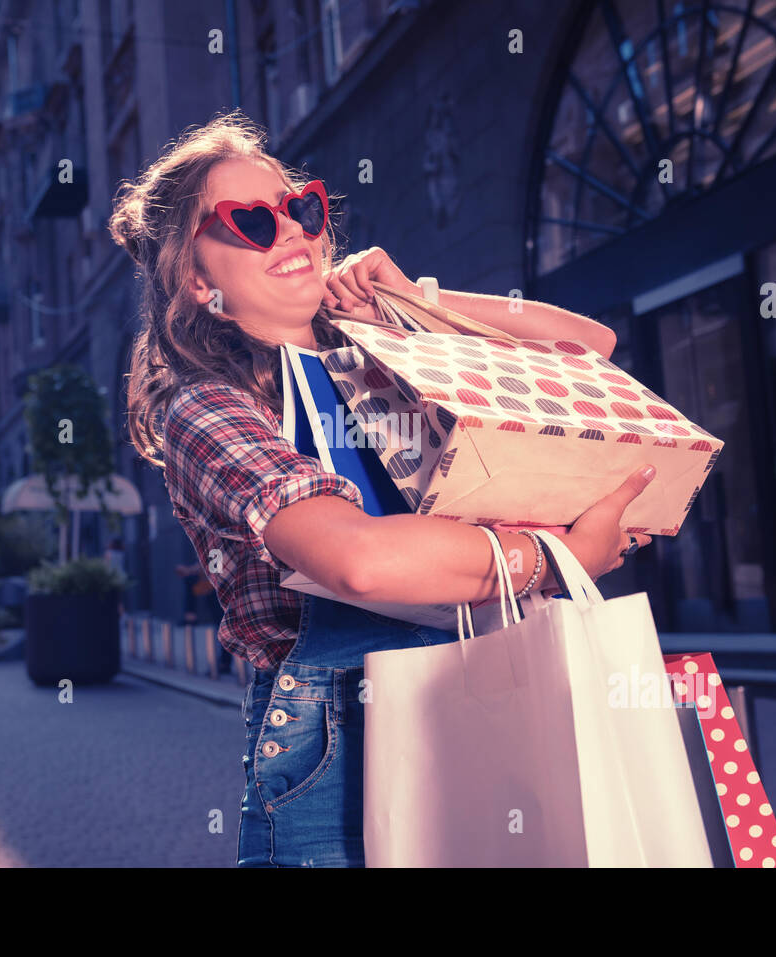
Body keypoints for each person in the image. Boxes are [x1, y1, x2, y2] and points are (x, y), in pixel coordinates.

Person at [109, 110, 654, 868]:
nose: (294, 232)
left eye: (300, 209)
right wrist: (558, 555)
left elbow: (587, 349)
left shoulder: (385, 353)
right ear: (195, 278)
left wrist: (416, 304)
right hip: (332, 750)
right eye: (250, 222)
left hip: (481, 694)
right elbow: (356, 561)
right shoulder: (207, 408)